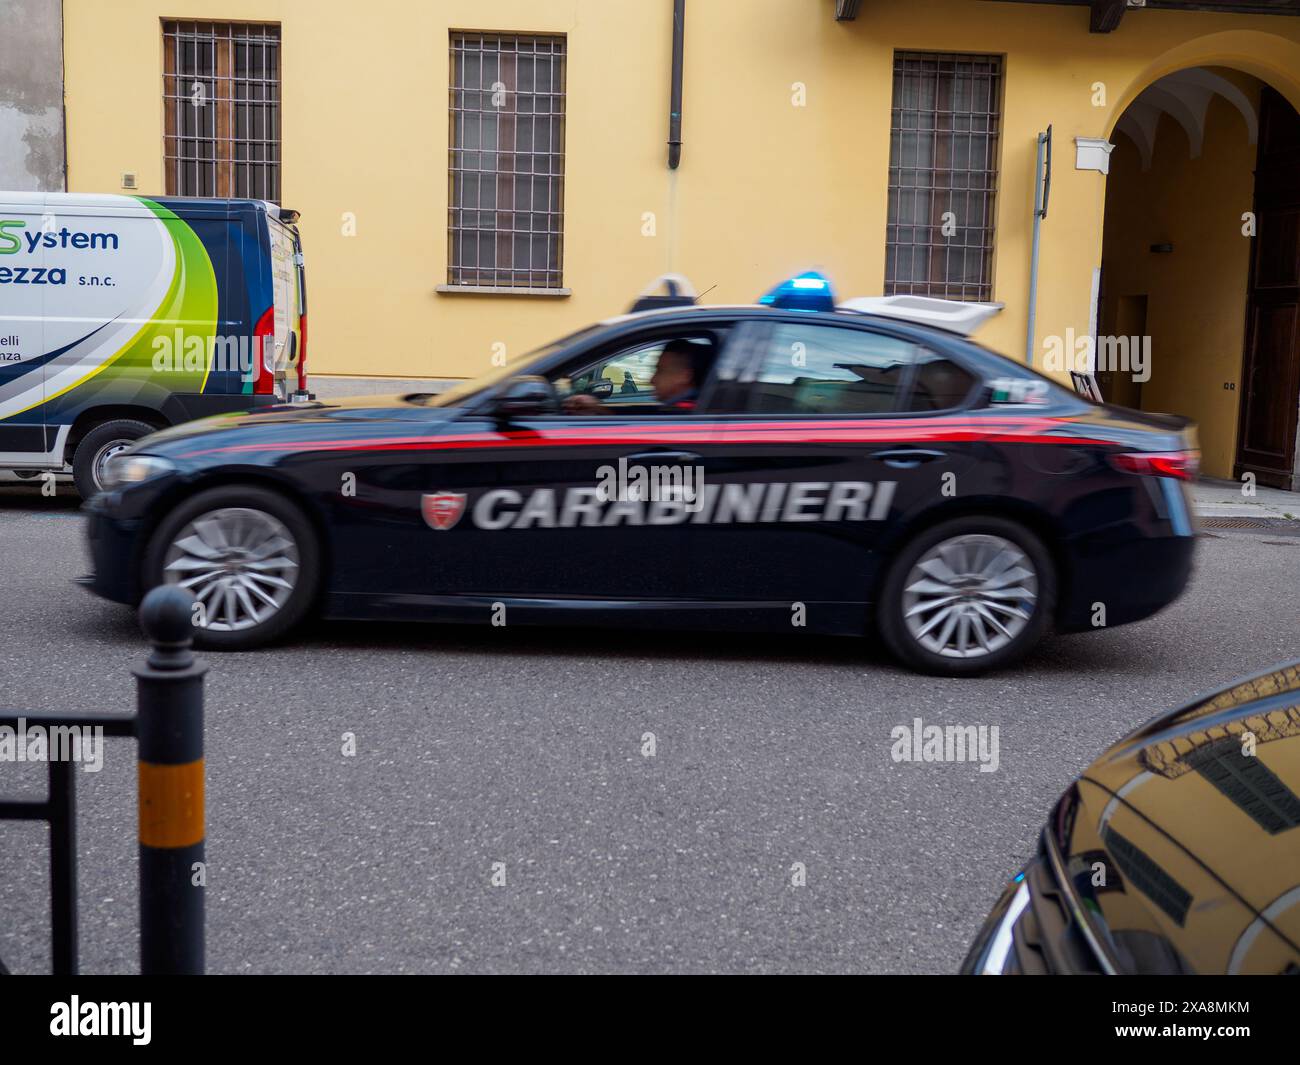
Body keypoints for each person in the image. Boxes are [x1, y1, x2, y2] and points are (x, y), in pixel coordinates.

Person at [564, 339, 709, 414]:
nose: (651, 380)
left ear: (684, 376)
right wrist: (598, 407)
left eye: (660, 371)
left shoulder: (685, 412)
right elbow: (648, 413)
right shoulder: (680, 409)